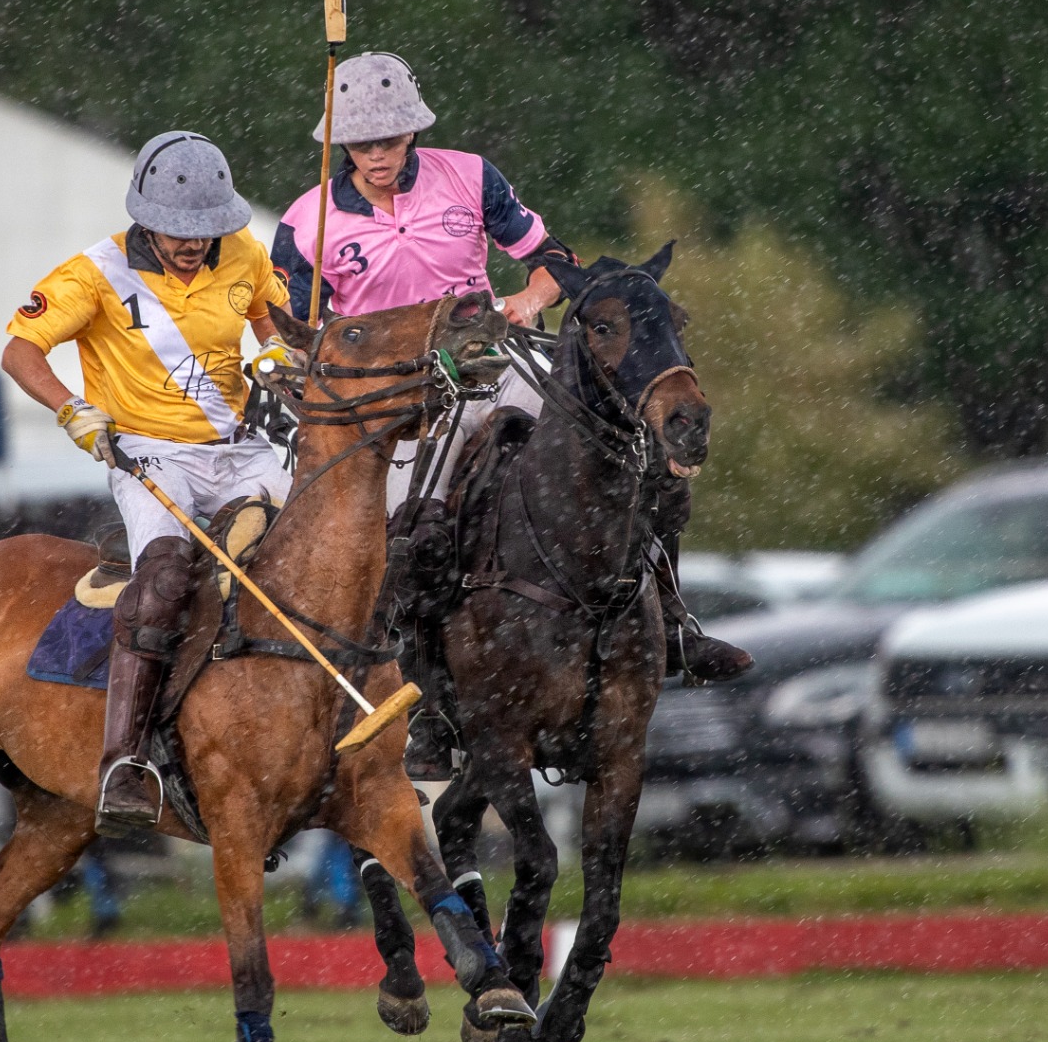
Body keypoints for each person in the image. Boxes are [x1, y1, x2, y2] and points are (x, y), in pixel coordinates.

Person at [275, 53, 750, 778]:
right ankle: (427, 703)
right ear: (343, 145)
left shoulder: (469, 176)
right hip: (400, 396)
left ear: (412, 133)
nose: (377, 156)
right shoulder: (307, 218)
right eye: (363, 144)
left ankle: (676, 621)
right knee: (410, 535)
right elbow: (296, 326)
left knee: (623, 458)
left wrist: (529, 298)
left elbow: (553, 257)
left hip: (495, 360)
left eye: (390, 140)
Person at [2, 131, 293, 835]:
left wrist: (277, 353)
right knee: (162, 580)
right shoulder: (93, 275)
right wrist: (71, 409)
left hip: (240, 447)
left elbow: (275, 322)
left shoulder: (246, 252)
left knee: (331, 542)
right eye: (178, 231)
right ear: (145, 217)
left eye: (206, 229)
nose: (194, 243)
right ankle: (126, 760)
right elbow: (19, 351)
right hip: (150, 454)